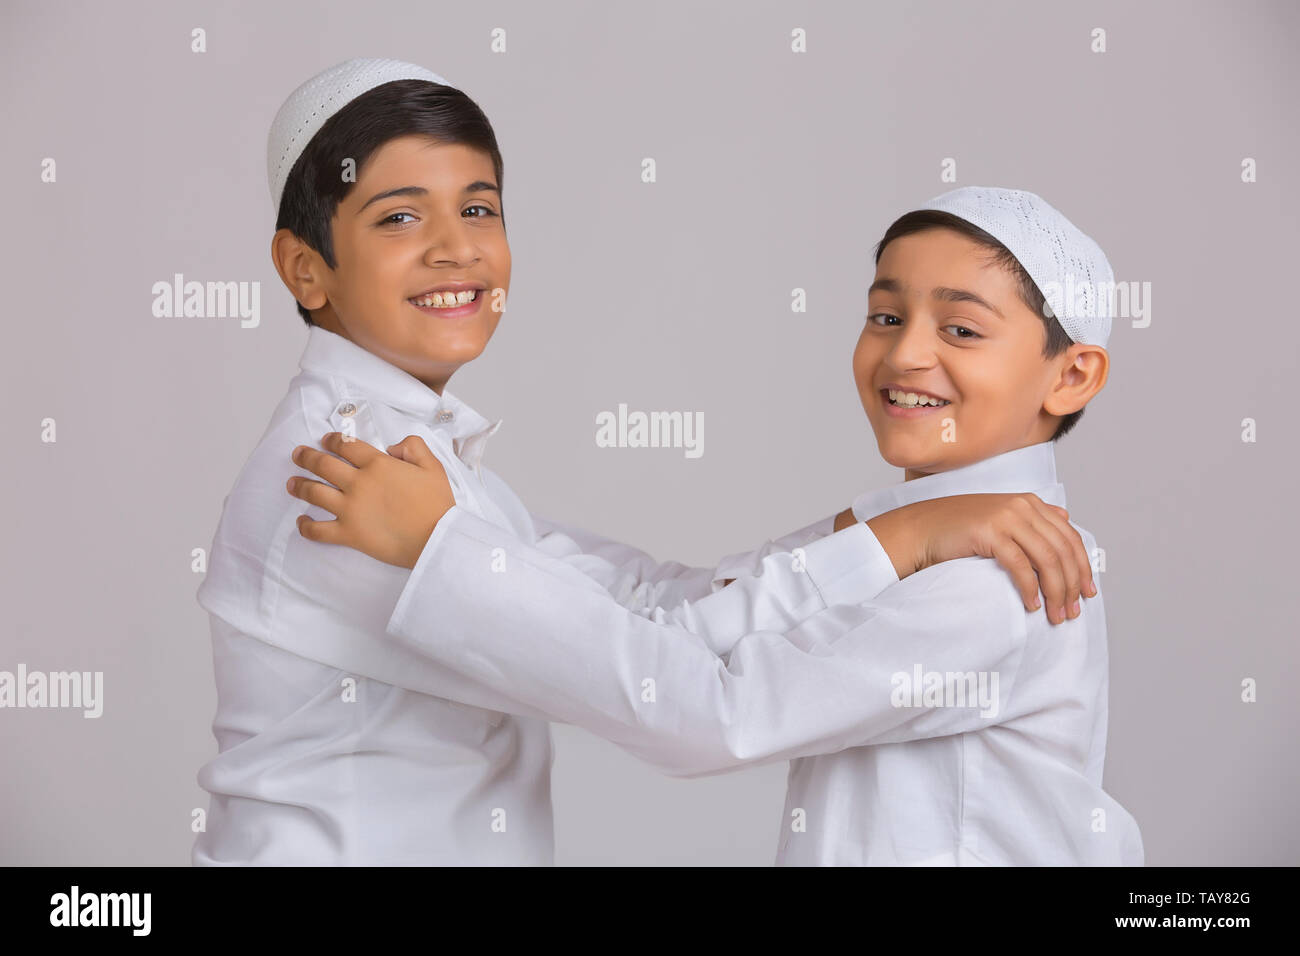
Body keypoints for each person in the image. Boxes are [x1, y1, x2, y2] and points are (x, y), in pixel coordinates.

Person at [195, 55, 1091, 866]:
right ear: (306, 270)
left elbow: (654, 615)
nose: (456, 247)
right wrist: (896, 538)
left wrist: (895, 535)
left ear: (1073, 372)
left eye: (478, 208)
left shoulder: (1002, 571)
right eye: (399, 216)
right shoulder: (339, 476)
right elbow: (677, 686)